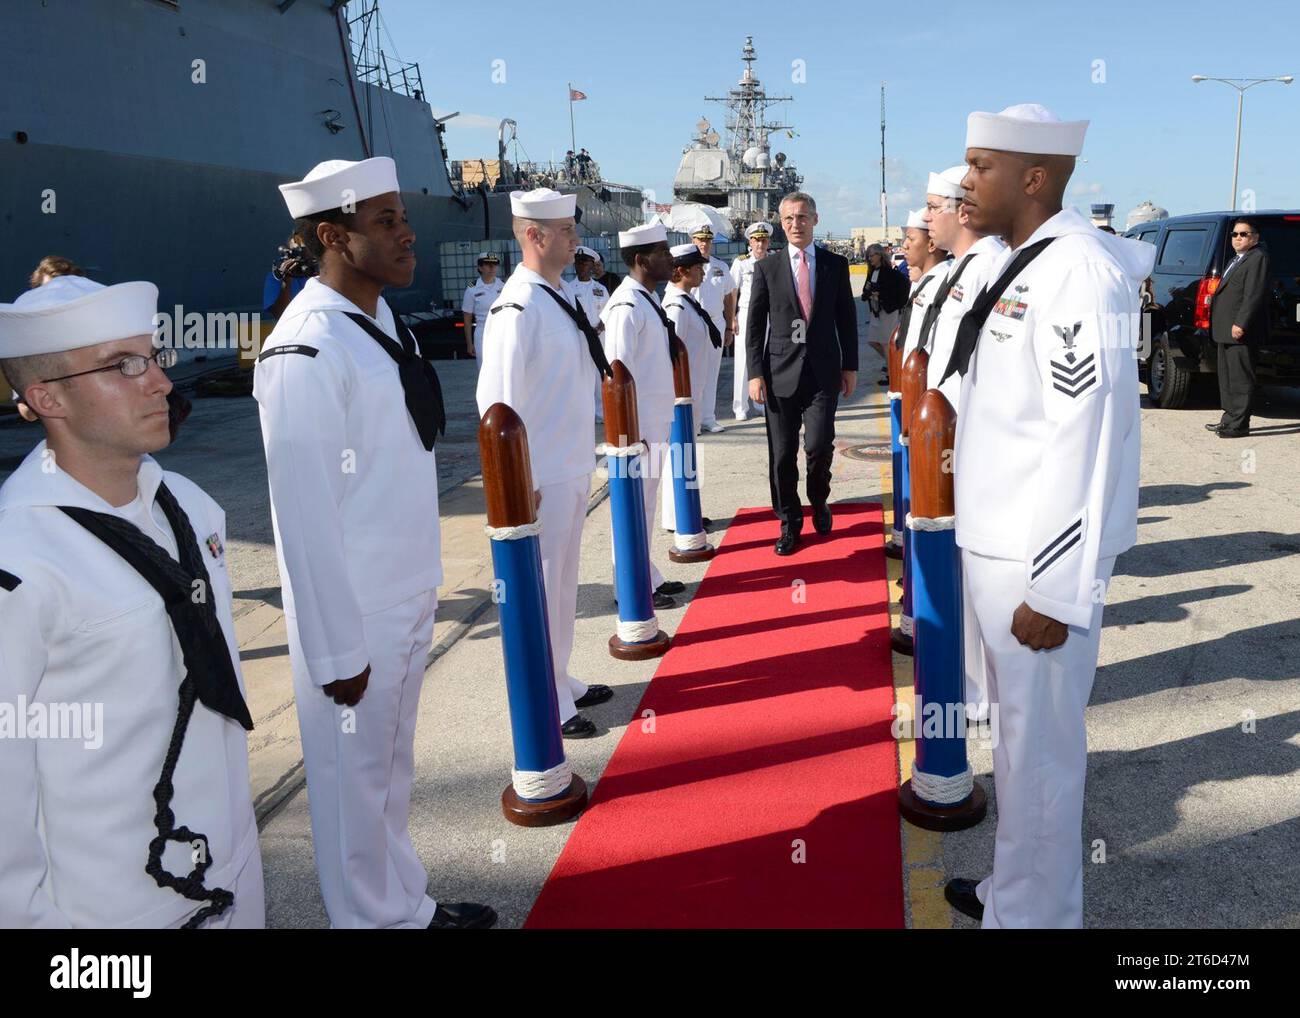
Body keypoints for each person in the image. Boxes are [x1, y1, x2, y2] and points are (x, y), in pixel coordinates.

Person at [255, 156, 493, 929]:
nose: (406, 233)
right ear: (334, 235)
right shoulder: (307, 349)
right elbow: (303, 516)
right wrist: (334, 652)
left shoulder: (379, 323)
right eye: (384, 221)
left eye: (402, 216)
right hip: (352, 613)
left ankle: (405, 904)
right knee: (349, 781)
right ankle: (369, 919)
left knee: (388, 770)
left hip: (405, 587)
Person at [939, 104, 1155, 928]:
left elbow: (1083, 434)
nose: (967, 181)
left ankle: (1037, 918)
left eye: (982, 165)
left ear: (1035, 177)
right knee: (1019, 754)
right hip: (998, 548)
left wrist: (1059, 589)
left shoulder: (1075, 273)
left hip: (1038, 566)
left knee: (1043, 757)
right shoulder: (1028, 265)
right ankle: (1014, 894)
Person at [0, 275, 263, 928]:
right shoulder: (19, 561)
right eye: (125, 366)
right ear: (45, 397)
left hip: (226, 874)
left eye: (153, 357)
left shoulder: (190, 506)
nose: (161, 383)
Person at [475, 189, 615, 740]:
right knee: (542, 585)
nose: (575, 238)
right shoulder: (518, 306)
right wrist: (518, 480)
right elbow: (497, 403)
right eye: (564, 229)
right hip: (540, 476)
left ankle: (560, 676)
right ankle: (547, 699)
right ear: (533, 235)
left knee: (562, 584)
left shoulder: (557, 295)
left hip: (568, 462)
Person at [745, 192, 858, 555]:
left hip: (823, 372)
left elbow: (847, 319)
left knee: (819, 446)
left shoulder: (834, 265)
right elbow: (754, 325)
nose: (797, 224)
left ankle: (819, 500)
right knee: (781, 454)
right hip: (779, 375)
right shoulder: (767, 268)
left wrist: (850, 366)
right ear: (782, 223)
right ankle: (789, 522)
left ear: (816, 219)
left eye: (803, 217)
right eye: (790, 218)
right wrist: (754, 373)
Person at [600, 222, 681, 607]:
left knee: (646, 504)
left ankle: (645, 575)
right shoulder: (626, 305)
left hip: (652, 419)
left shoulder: (646, 298)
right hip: (636, 427)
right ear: (640, 260)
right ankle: (628, 587)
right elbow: (616, 374)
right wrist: (628, 432)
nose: (669, 258)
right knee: (632, 506)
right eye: (661, 252)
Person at [921, 166, 1007, 410]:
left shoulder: (987, 265)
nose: (927, 217)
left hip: (964, 413)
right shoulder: (961, 265)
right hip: (946, 410)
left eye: (933, 207)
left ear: (962, 212)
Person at [660, 242, 717, 532]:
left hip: (692, 390)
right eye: (697, 268)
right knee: (677, 455)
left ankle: (687, 511)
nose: (702, 273)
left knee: (686, 453)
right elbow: (670, 355)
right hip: (681, 395)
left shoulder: (686, 301)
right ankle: (677, 517)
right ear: (681, 271)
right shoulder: (675, 307)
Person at [1208, 217, 1270, 438]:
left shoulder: (1257, 258)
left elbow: (1253, 295)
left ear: (1255, 237)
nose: (1237, 238)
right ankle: (1228, 419)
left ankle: (1239, 425)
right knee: (1227, 378)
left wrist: (1241, 323)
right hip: (1224, 329)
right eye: (1234, 234)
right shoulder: (1236, 259)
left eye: (1243, 234)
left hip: (1239, 330)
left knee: (1241, 378)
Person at [688, 225, 737, 434]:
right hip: (692, 323)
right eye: (700, 239)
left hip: (716, 322)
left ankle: (708, 417)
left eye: (707, 240)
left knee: (711, 372)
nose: (704, 244)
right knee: (692, 373)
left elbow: (729, 296)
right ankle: (693, 419)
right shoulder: (685, 266)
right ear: (693, 241)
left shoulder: (721, 267)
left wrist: (728, 325)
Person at [730, 221, 774, 418]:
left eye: (764, 240)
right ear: (750, 241)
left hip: (770, 314)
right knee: (743, 359)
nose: (760, 243)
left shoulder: (774, 261)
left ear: (769, 241)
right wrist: (731, 317)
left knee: (766, 357)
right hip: (747, 312)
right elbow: (733, 292)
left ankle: (760, 402)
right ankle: (740, 406)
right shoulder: (741, 262)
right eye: (756, 239)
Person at [896, 207, 950, 362]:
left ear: (931, 244)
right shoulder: (920, 280)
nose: (904, 245)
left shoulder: (942, 282)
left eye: (911, 239)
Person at [859, 243, 909, 386]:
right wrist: (869, 294)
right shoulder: (872, 272)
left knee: (886, 344)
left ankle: (892, 373)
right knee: (873, 341)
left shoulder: (890, 273)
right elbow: (866, 290)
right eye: (868, 256)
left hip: (888, 312)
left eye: (871, 255)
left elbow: (900, 290)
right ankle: (893, 363)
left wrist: (881, 295)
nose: (869, 259)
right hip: (876, 312)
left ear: (880, 255)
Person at [572, 246, 610, 423]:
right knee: (582, 375)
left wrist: (600, 327)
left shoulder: (601, 289)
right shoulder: (568, 289)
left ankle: (602, 413)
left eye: (585, 263)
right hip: (579, 338)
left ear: (592, 265)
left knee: (600, 374)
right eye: (578, 263)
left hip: (599, 337)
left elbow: (608, 312)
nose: (581, 267)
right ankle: (586, 413)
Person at [263, 233, 317, 320]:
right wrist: (286, 280)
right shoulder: (275, 278)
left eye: (305, 250)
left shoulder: (324, 273)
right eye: (296, 251)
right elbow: (279, 314)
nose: (301, 257)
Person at [461, 252, 503, 362]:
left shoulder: (503, 286)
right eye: (488, 264)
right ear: (480, 267)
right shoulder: (472, 288)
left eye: (494, 264)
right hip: (482, 332)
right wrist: (469, 344)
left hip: (501, 331)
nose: (492, 267)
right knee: (484, 368)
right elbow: (467, 319)